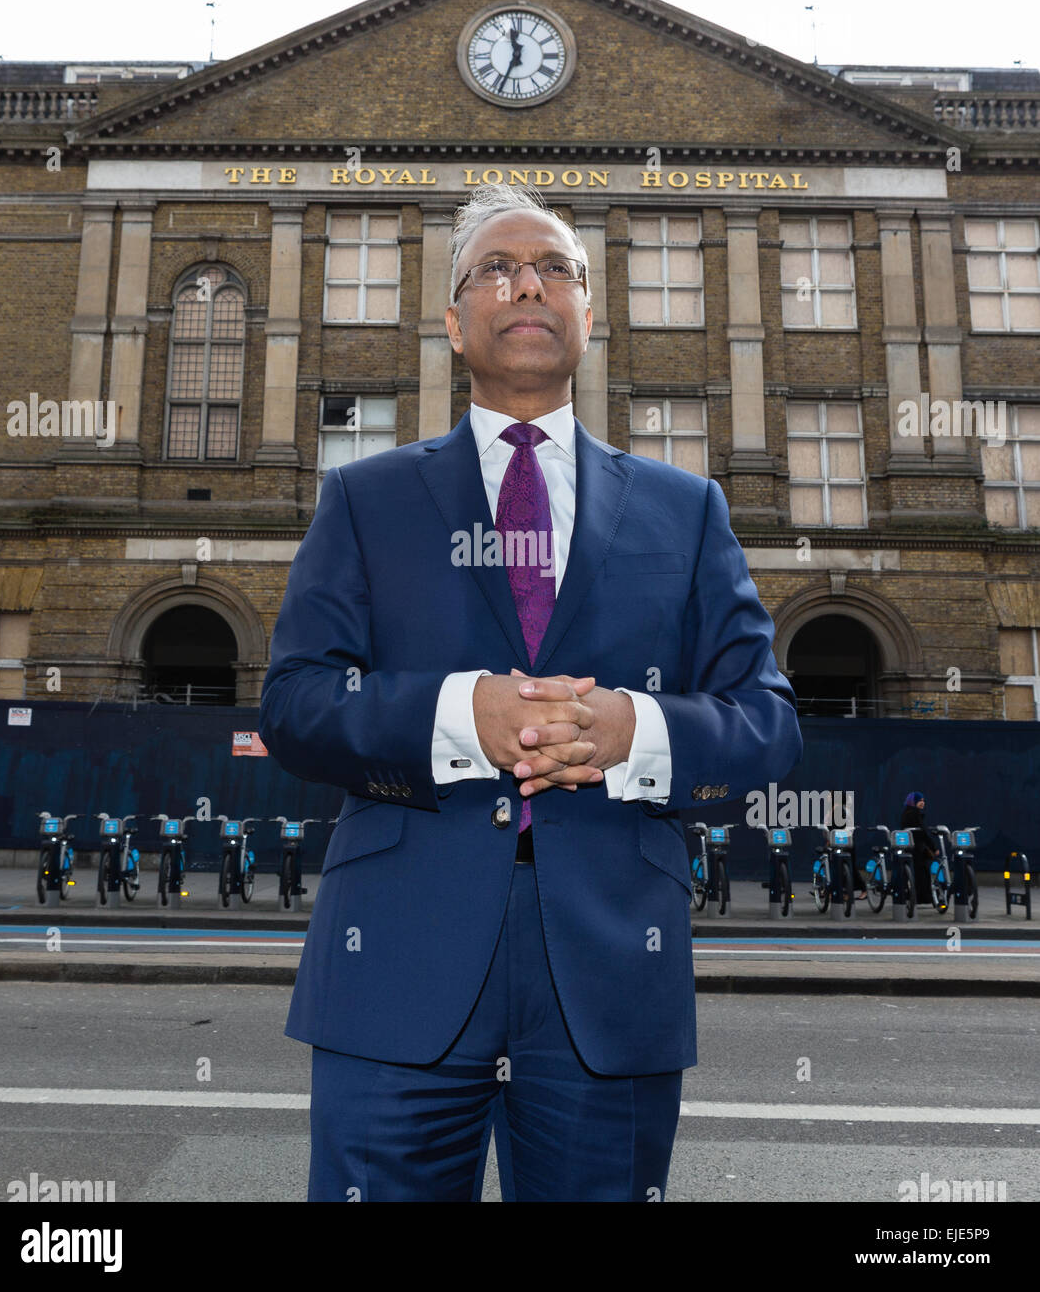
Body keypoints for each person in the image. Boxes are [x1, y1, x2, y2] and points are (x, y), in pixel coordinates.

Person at [259, 183, 803, 1202]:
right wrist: (457, 715)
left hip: (606, 969)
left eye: (557, 268)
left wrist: (630, 728)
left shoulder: (686, 513)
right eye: (496, 269)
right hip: (399, 966)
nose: (528, 284)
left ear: (589, 318)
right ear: (455, 321)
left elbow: (766, 723)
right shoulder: (365, 500)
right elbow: (293, 703)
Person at [902, 791, 937, 905]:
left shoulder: (907, 812)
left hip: (909, 847)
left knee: (916, 872)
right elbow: (923, 833)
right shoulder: (914, 814)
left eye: (923, 800)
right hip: (917, 848)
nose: (922, 803)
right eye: (919, 800)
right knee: (922, 873)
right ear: (914, 802)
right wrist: (933, 847)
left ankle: (913, 895)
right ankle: (923, 897)